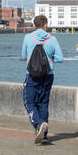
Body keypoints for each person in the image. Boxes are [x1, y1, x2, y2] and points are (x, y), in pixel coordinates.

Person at [21, 14, 63, 143]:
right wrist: (49, 60)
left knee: (29, 102)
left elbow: (23, 56)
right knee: (43, 103)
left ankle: (39, 125)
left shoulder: (28, 38)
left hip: (32, 75)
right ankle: (43, 135)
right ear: (45, 25)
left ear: (35, 25)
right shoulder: (52, 39)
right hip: (48, 75)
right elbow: (60, 58)